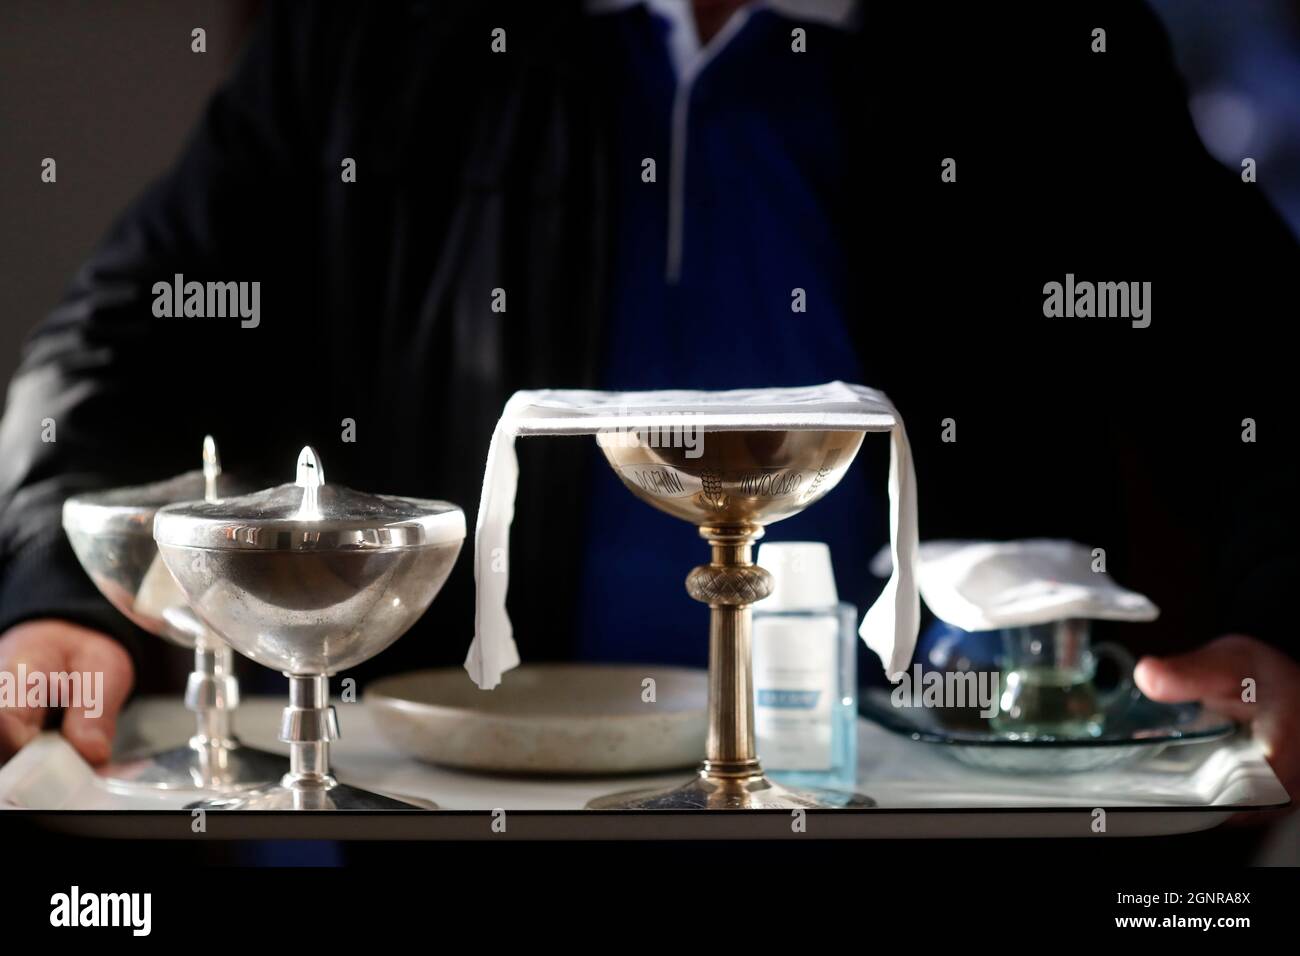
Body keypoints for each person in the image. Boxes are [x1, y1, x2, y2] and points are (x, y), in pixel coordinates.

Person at [1, 0, 1297, 802]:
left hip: (934, 823)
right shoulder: (375, 38)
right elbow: (112, 348)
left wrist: (1288, 629)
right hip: (457, 822)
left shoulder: (1039, 46)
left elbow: (1259, 354)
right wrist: (63, 608)